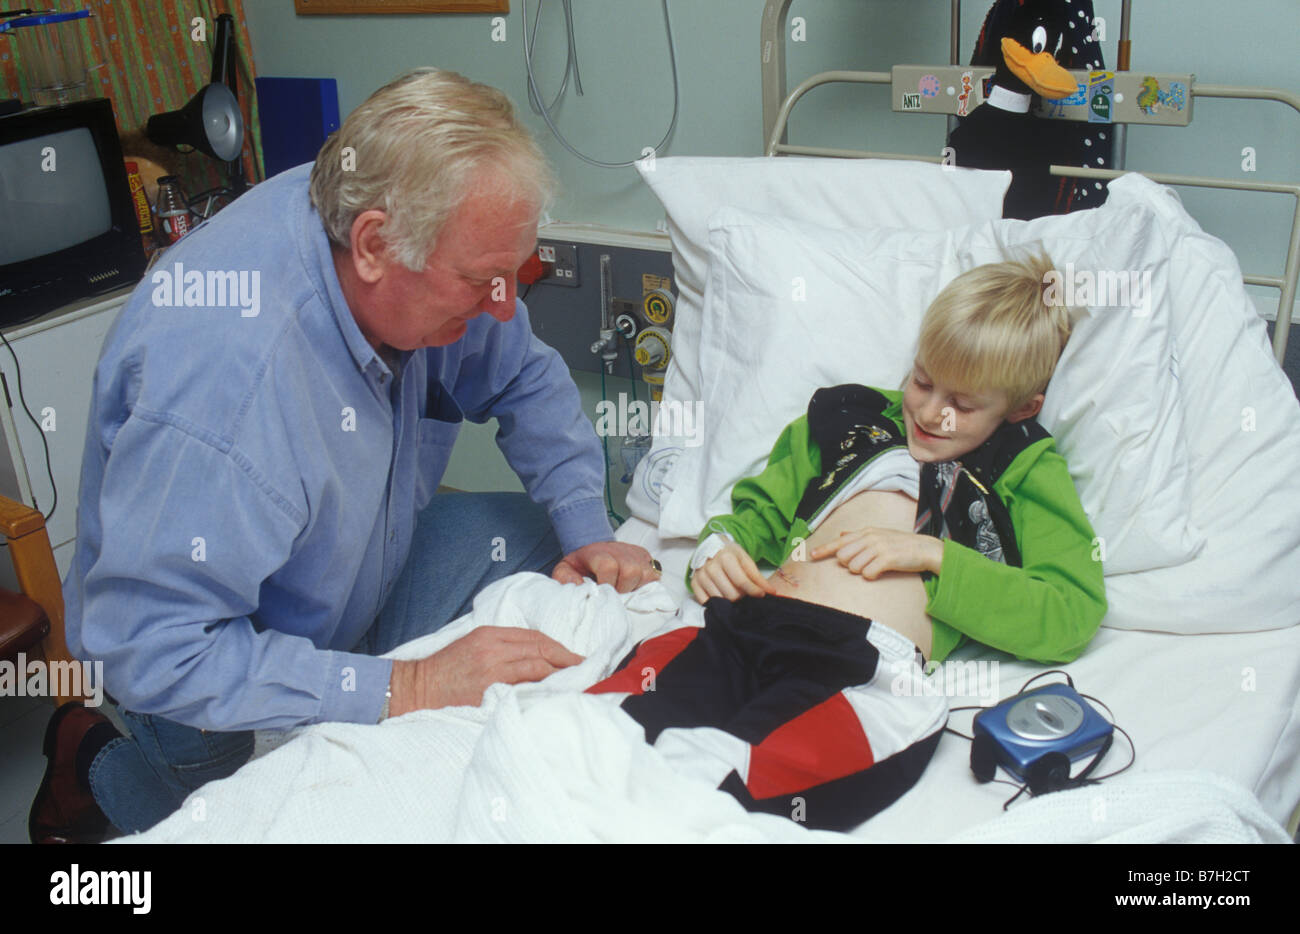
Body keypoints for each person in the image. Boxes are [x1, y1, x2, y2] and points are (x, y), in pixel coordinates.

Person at [31, 68, 659, 842]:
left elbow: (524, 377)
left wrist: (588, 527)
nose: (505, 307)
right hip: (198, 652)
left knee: (542, 535)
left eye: (514, 276)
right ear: (372, 247)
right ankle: (91, 761)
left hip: (348, 574)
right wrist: (409, 685)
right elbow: (153, 650)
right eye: (482, 282)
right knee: (253, 810)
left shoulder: (396, 212)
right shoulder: (227, 388)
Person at [587, 254, 1107, 832]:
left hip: (856, 664)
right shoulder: (846, 421)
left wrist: (934, 554)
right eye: (922, 381)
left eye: (962, 406)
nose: (930, 412)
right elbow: (758, 513)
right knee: (597, 732)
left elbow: (1070, 611)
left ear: (1022, 408)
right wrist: (716, 551)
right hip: (744, 621)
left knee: (729, 785)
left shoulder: (1023, 468)